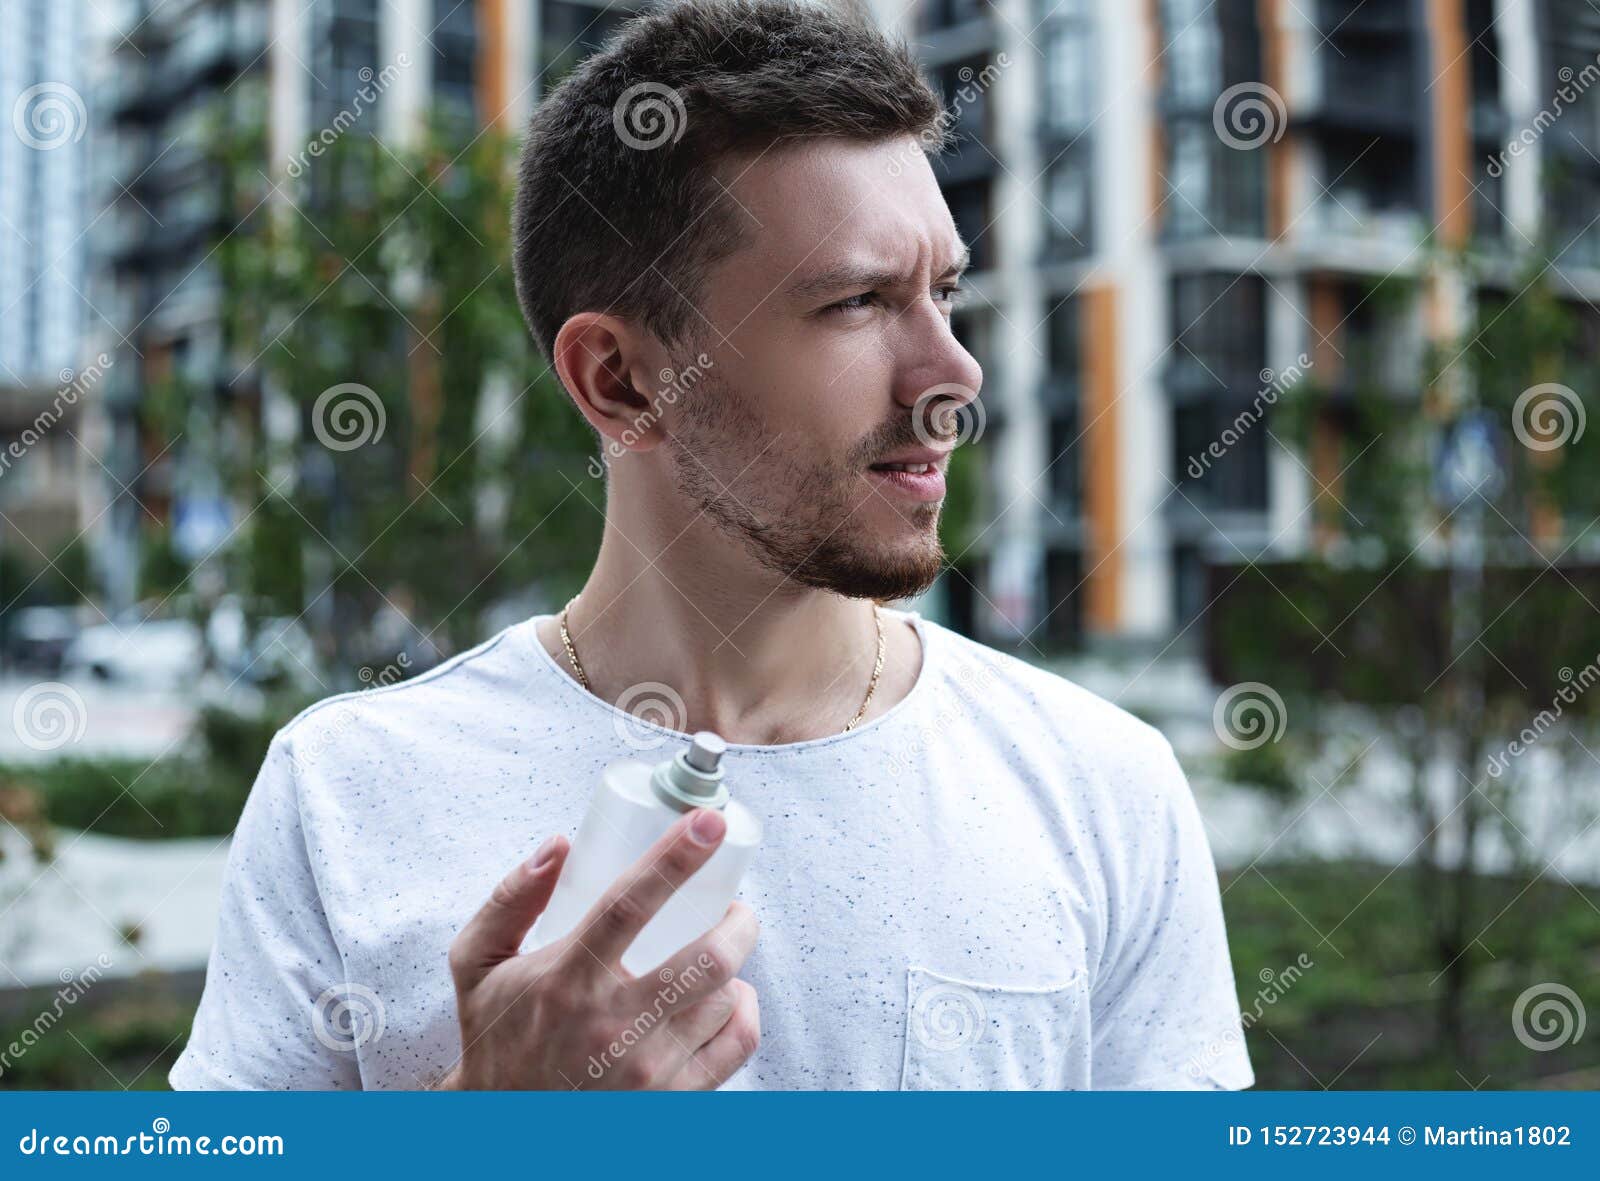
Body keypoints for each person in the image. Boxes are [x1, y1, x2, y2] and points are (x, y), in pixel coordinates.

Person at [171, 0, 1252, 1091]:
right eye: (856, 302)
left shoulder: (1101, 787)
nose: (953, 372)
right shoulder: (349, 793)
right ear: (621, 380)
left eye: (945, 292)